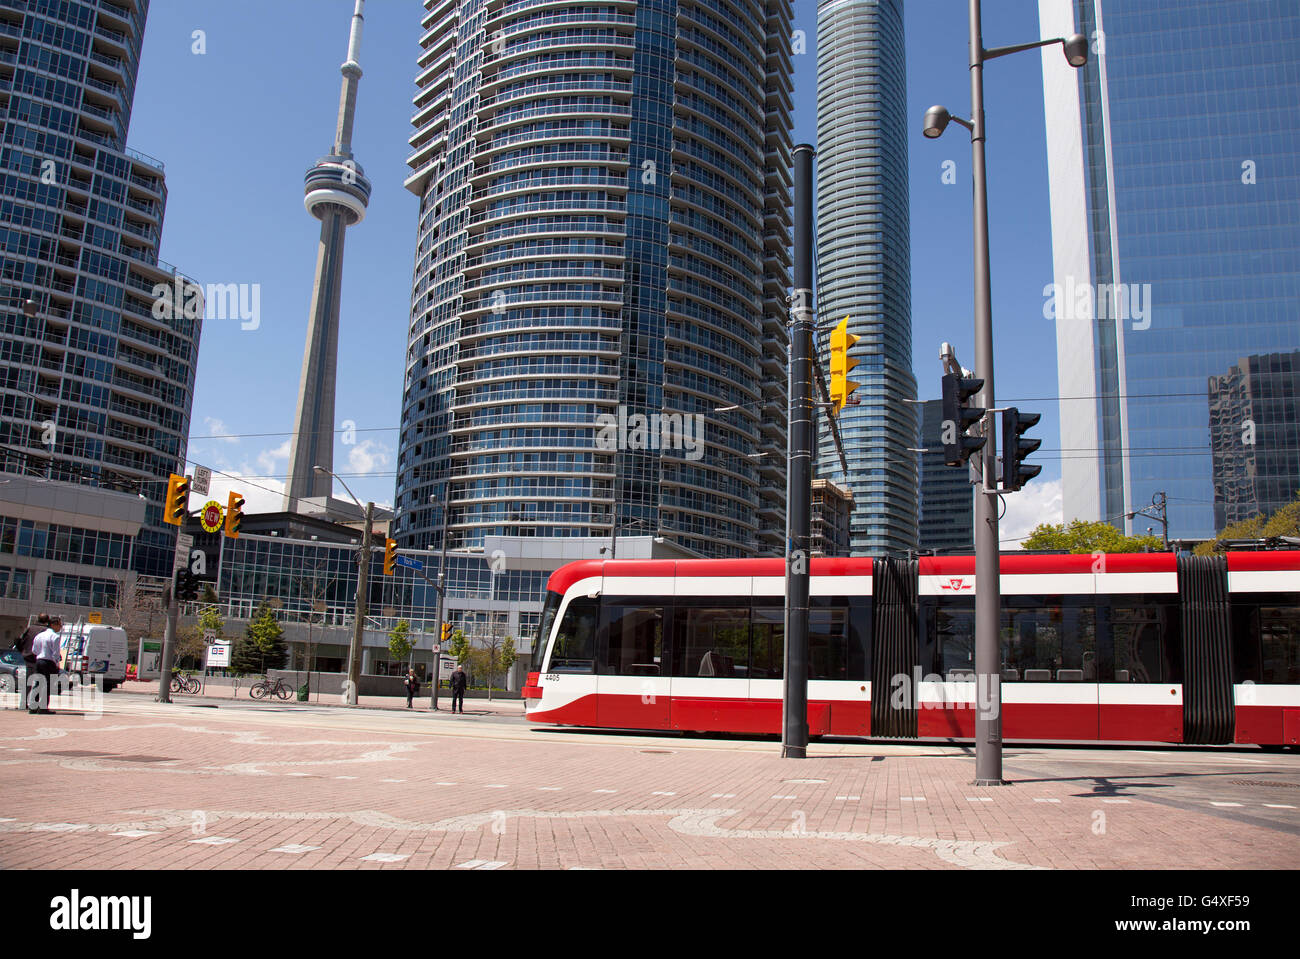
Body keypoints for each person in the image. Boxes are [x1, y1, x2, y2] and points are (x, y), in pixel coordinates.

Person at [30, 616, 63, 714]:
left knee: (38, 683)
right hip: (49, 662)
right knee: (47, 685)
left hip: (39, 660)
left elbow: (34, 650)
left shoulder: (39, 635)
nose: (60, 627)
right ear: (53, 625)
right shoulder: (55, 637)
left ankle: (33, 707)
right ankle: (43, 708)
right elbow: (56, 654)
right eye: (59, 625)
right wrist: (57, 664)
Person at [17, 614, 48, 713]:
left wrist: (23, 651)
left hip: (28, 657)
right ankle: (36, 704)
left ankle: (23, 702)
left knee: (28, 680)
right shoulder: (45, 631)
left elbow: (21, 641)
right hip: (40, 658)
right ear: (47, 621)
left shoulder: (30, 628)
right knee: (41, 681)